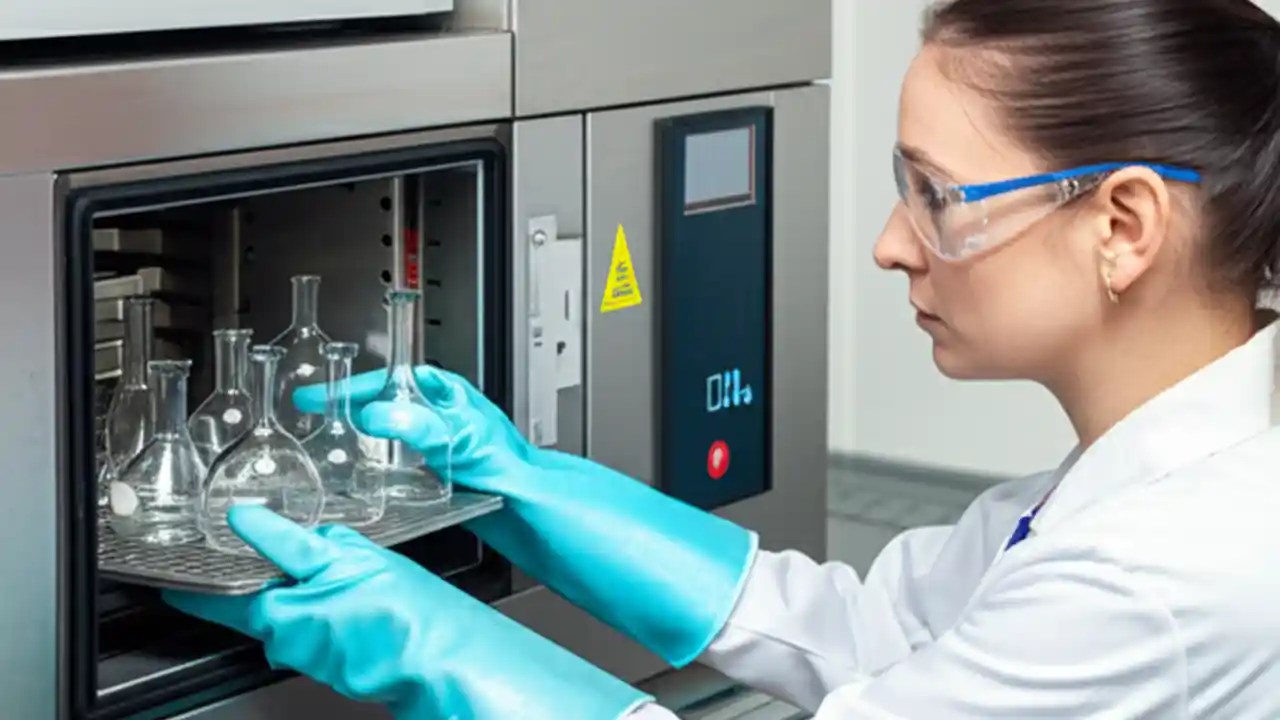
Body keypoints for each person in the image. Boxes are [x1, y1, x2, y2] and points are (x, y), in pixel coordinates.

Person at [167, 0, 1280, 716]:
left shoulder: (1166, 572)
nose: (892, 247)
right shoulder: (1140, 482)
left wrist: (429, 643)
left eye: (937, 197)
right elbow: (870, 634)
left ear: (1122, 228)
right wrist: (523, 485)